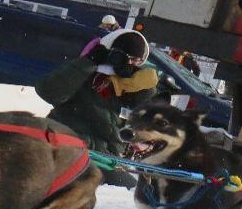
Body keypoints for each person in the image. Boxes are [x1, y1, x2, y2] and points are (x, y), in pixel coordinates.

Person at [35, 29, 159, 186]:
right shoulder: (85, 73)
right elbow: (48, 91)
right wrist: (88, 62)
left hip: (106, 158)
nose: (129, 64)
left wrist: (144, 86)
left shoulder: (132, 85)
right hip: (68, 147)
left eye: (136, 60)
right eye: (124, 57)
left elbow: (148, 118)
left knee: (134, 189)